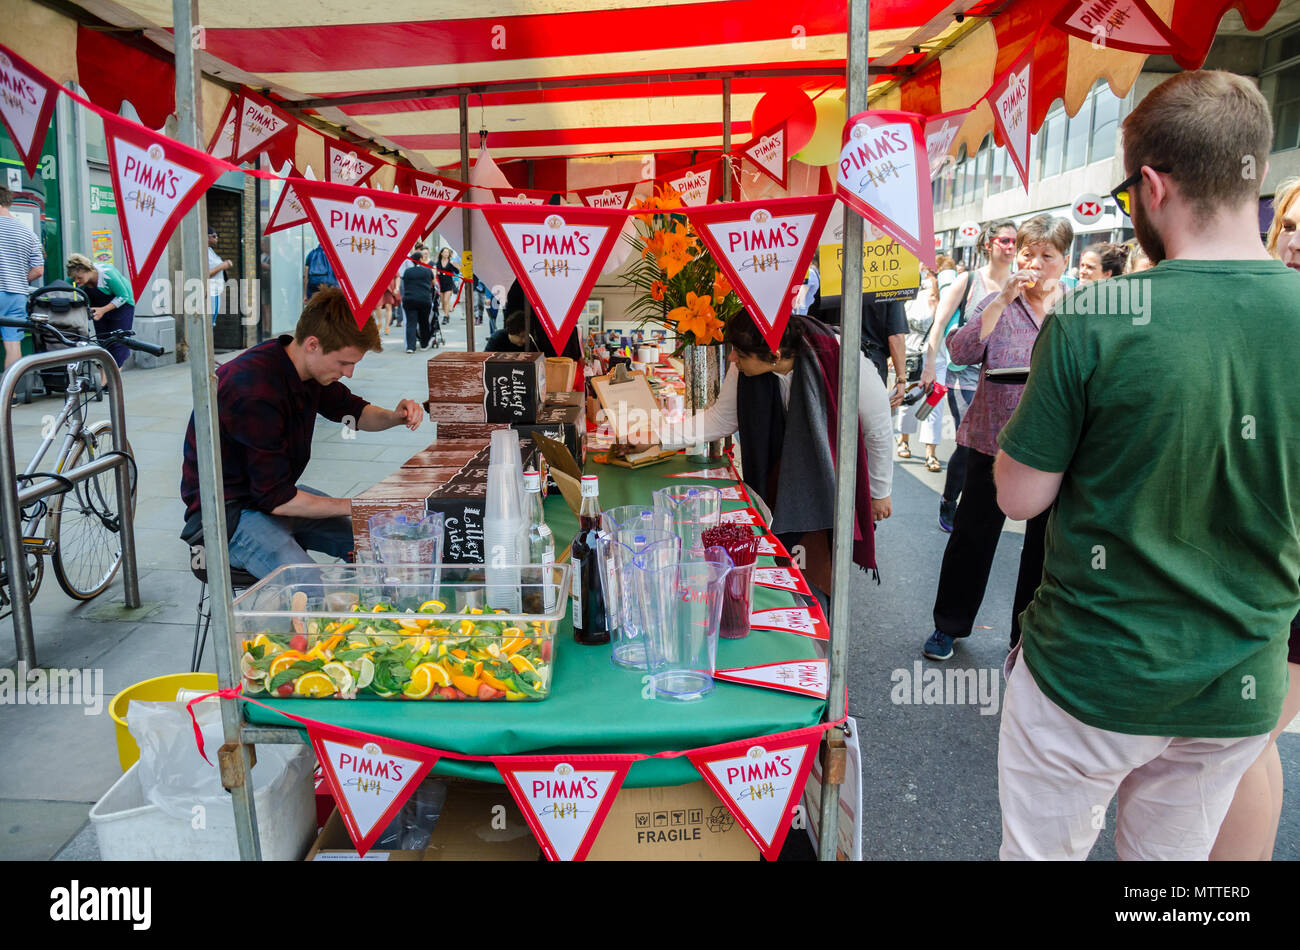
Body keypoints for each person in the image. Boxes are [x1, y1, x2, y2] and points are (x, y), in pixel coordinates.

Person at [991, 71, 1300, 861]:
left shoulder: (1095, 316)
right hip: (1234, 684)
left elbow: (1020, 498)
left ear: (1152, 186)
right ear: (1254, 173)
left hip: (1090, 674)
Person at [179, 288, 423, 579]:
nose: (349, 373)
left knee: (374, 540)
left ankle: (383, 616)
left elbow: (353, 411)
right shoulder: (254, 390)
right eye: (344, 363)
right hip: (225, 515)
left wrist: (394, 416)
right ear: (312, 345)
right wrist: (355, 504)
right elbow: (277, 499)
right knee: (308, 582)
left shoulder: (304, 369)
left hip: (269, 496)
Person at [921, 214, 1070, 663]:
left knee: (1041, 549)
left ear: (1065, 261)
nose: (1036, 264)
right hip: (993, 440)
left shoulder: (1076, 308)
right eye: (1028, 254)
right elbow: (961, 352)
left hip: (1055, 447)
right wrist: (1003, 298)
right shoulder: (998, 300)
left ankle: (1023, 639)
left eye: (1047, 256)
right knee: (973, 537)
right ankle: (948, 626)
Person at [1210, 175, 1300, 861]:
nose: (1296, 240)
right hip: (1248, 557)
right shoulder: (1265, 308)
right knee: (1235, 737)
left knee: (1248, 738)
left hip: (1286, 568)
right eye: (1291, 225)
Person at [685, 311, 894, 600]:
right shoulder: (749, 361)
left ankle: (818, 623)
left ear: (774, 354)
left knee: (822, 568)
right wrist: (653, 434)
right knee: (784, 563)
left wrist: (879, 492)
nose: (732, 359)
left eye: (740, 354)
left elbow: (878, 430)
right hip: (779, 473)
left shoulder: (843, 359)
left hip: (830, 477)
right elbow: (720, 421)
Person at [920, 221, 1017, 532]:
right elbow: (940, 323)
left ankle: (985, 505)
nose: (1011, 246)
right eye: (1004, 240)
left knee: (1000, 445)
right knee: (968, 444)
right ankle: (950, 500)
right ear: (988, 244)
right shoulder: (969, 280)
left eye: (1015, 241)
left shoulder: (1022, 283)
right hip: (965, 377)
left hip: (1006, 380)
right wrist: (930, 365)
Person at [895, 270, 941, 471]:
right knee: (909, 402)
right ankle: (903, 439)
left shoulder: (947, 302)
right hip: (913, 355)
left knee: (935, 406)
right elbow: (900, 330)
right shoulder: (912, 300)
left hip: (937, 358)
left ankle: (931, 452)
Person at [66, 253, 135, 370]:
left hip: (122, 305)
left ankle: (111, 382)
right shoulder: (74, 278)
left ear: (89, 271)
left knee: (118, 343)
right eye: (74, 279)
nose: (76, 281)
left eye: (79, 278)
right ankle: (104, 382)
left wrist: (103, 310)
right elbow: (66, 290)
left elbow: (123, 296)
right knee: (102, 342)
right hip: (98, 306)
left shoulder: (107, 274)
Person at [0, 184, 43, 371]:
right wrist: (19, 278)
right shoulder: (28, 233)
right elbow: (39, 270)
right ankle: (11, 395)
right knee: (12, 345)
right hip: (16, 295)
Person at [399, 249, 435, 352]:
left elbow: (405, 284)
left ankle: (410, 347)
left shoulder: (407, 271)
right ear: (420, 259)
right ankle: (424, 345)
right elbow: (432, 282)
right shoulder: (427, 270)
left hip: (409, 299)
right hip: (424, 299)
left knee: (411, 323)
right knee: (424, 322)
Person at [207, 226, 233, 326]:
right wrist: (223, 265)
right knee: (210, 322)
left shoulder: (210, 250)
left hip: (215, 291)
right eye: (214, 236)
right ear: (207, 237)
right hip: (210, 291)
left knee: (212, 322)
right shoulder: (205, 251)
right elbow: (206, 273)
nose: (216, 238)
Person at [435, 247, 460, 325]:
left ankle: (445, 317)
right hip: (441, 284)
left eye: (447, 252)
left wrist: (455, 265)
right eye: (444, 252)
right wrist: (436, 272)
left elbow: (457, 271)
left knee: (446, 300)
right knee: (443, 303)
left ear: (449, 254)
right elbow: (434, 272)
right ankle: (447, 315)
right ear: (441, 253)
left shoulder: (450, 262)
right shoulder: (437, 263)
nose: (446, 254)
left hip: (449, 283)